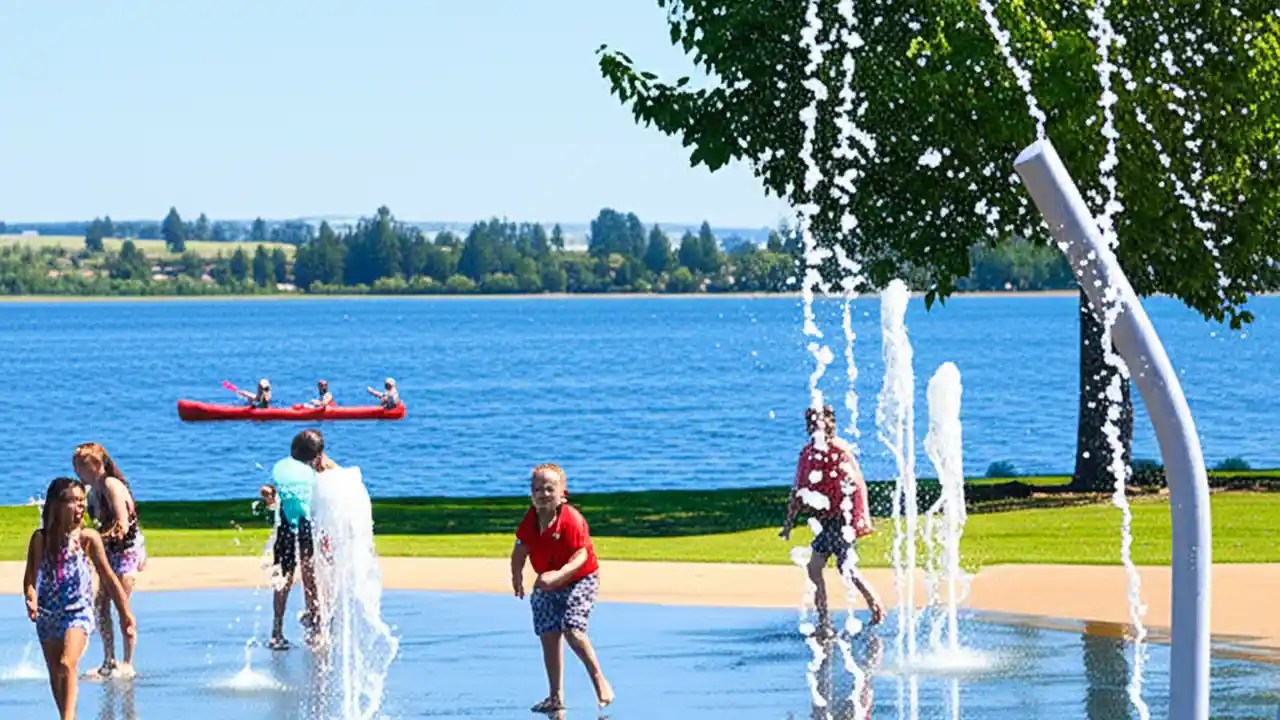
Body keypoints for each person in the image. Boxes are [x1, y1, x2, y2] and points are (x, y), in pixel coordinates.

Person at [24, 477, 136, 720]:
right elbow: (30, 579)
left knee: (67, 663)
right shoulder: (40, 539)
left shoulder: (87, 538)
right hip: (48, 614)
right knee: (55, 672)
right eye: (73, 501)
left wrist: (125, 613)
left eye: (82, 501)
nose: (80, 506)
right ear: (55, 505)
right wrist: (30, 598)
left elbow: (108, 577)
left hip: (78, 612)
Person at [510, 463, 614, 713]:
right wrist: (516, 576)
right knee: (548, 633)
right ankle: (555, 696)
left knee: (572, 628)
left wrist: (558, 576)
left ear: (562, 494)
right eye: (537, 489)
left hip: (581, 578)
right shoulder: (531, 520)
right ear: (531, 494)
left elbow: (580, 557)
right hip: (547, 581)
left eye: (549, 489)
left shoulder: (571, 520)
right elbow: (520, 548)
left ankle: (600, 681)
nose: (543, 494)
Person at [780, 405, 884, 637]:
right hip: (828, 520)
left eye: (818, 421)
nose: (813, 425)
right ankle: (829, 620)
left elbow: (856, 486)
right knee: (828, 567)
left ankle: (866, 610)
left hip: (840, 520)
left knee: (837, 567)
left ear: (829, 423)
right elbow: (798, 489)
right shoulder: (809, 453)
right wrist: (789, 523)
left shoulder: (838, 449)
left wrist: (858, 519)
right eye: (811, 421)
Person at [72, 443, 146, 680]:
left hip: (126, 553)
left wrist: (94, 540)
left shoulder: (112, 485)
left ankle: (127, 662)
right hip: (111, 554)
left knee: (121, 605)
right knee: (100, 604)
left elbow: (122, 526)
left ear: (96, 465)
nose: (76, 472)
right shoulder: (91, 492)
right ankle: (108, 660)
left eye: (80, 467)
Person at [258, 429, 334, 650]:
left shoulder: (286, 470)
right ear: (317, 455)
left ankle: (278, 631)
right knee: (310, 577)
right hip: (305, 525)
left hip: (287, 526)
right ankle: (315, 629)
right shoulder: (318, 470)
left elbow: (278, 492)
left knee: (286, 578)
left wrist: (270, 494)